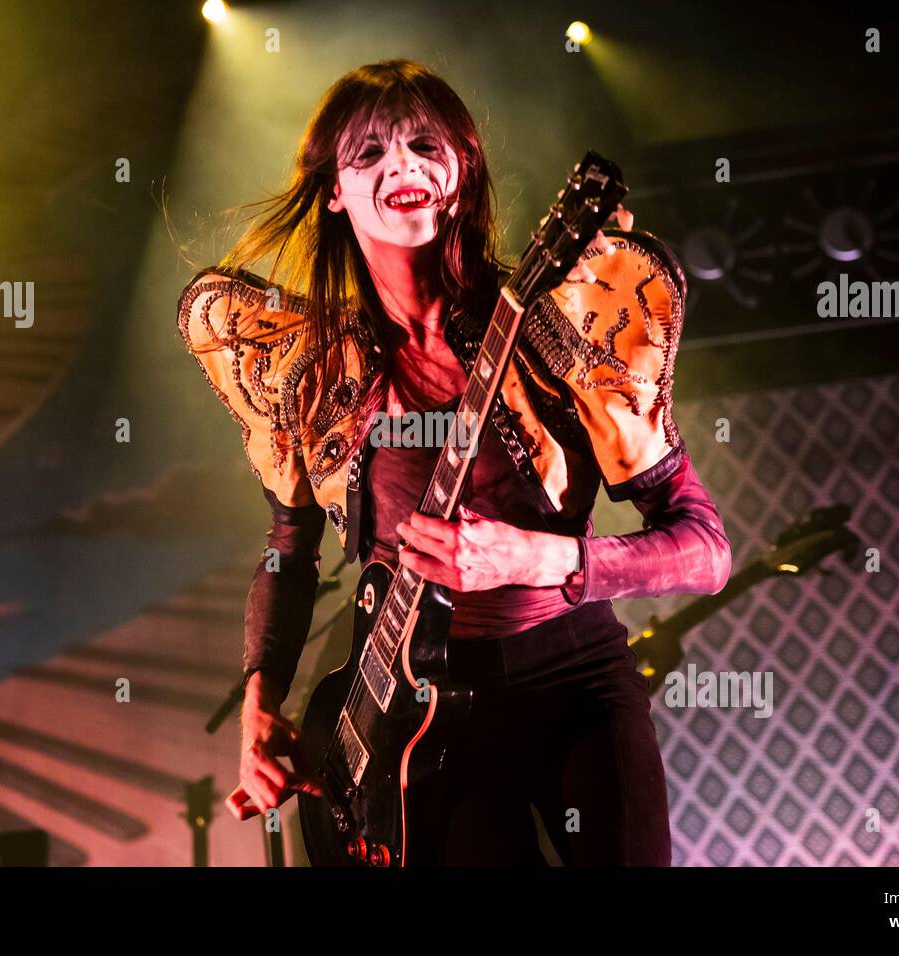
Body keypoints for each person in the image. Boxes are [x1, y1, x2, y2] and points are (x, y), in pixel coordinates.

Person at [177, 59, 732, 865]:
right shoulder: (310, 370)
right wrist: (261, 701)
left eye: (423, 145)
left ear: (461, 171)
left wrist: (544, 558)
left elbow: (706, 549)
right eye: (367, 154)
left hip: (573, 680)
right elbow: (288, 550)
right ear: (333, 190)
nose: (399, 165)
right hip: (411, 715)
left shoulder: (557, 330)